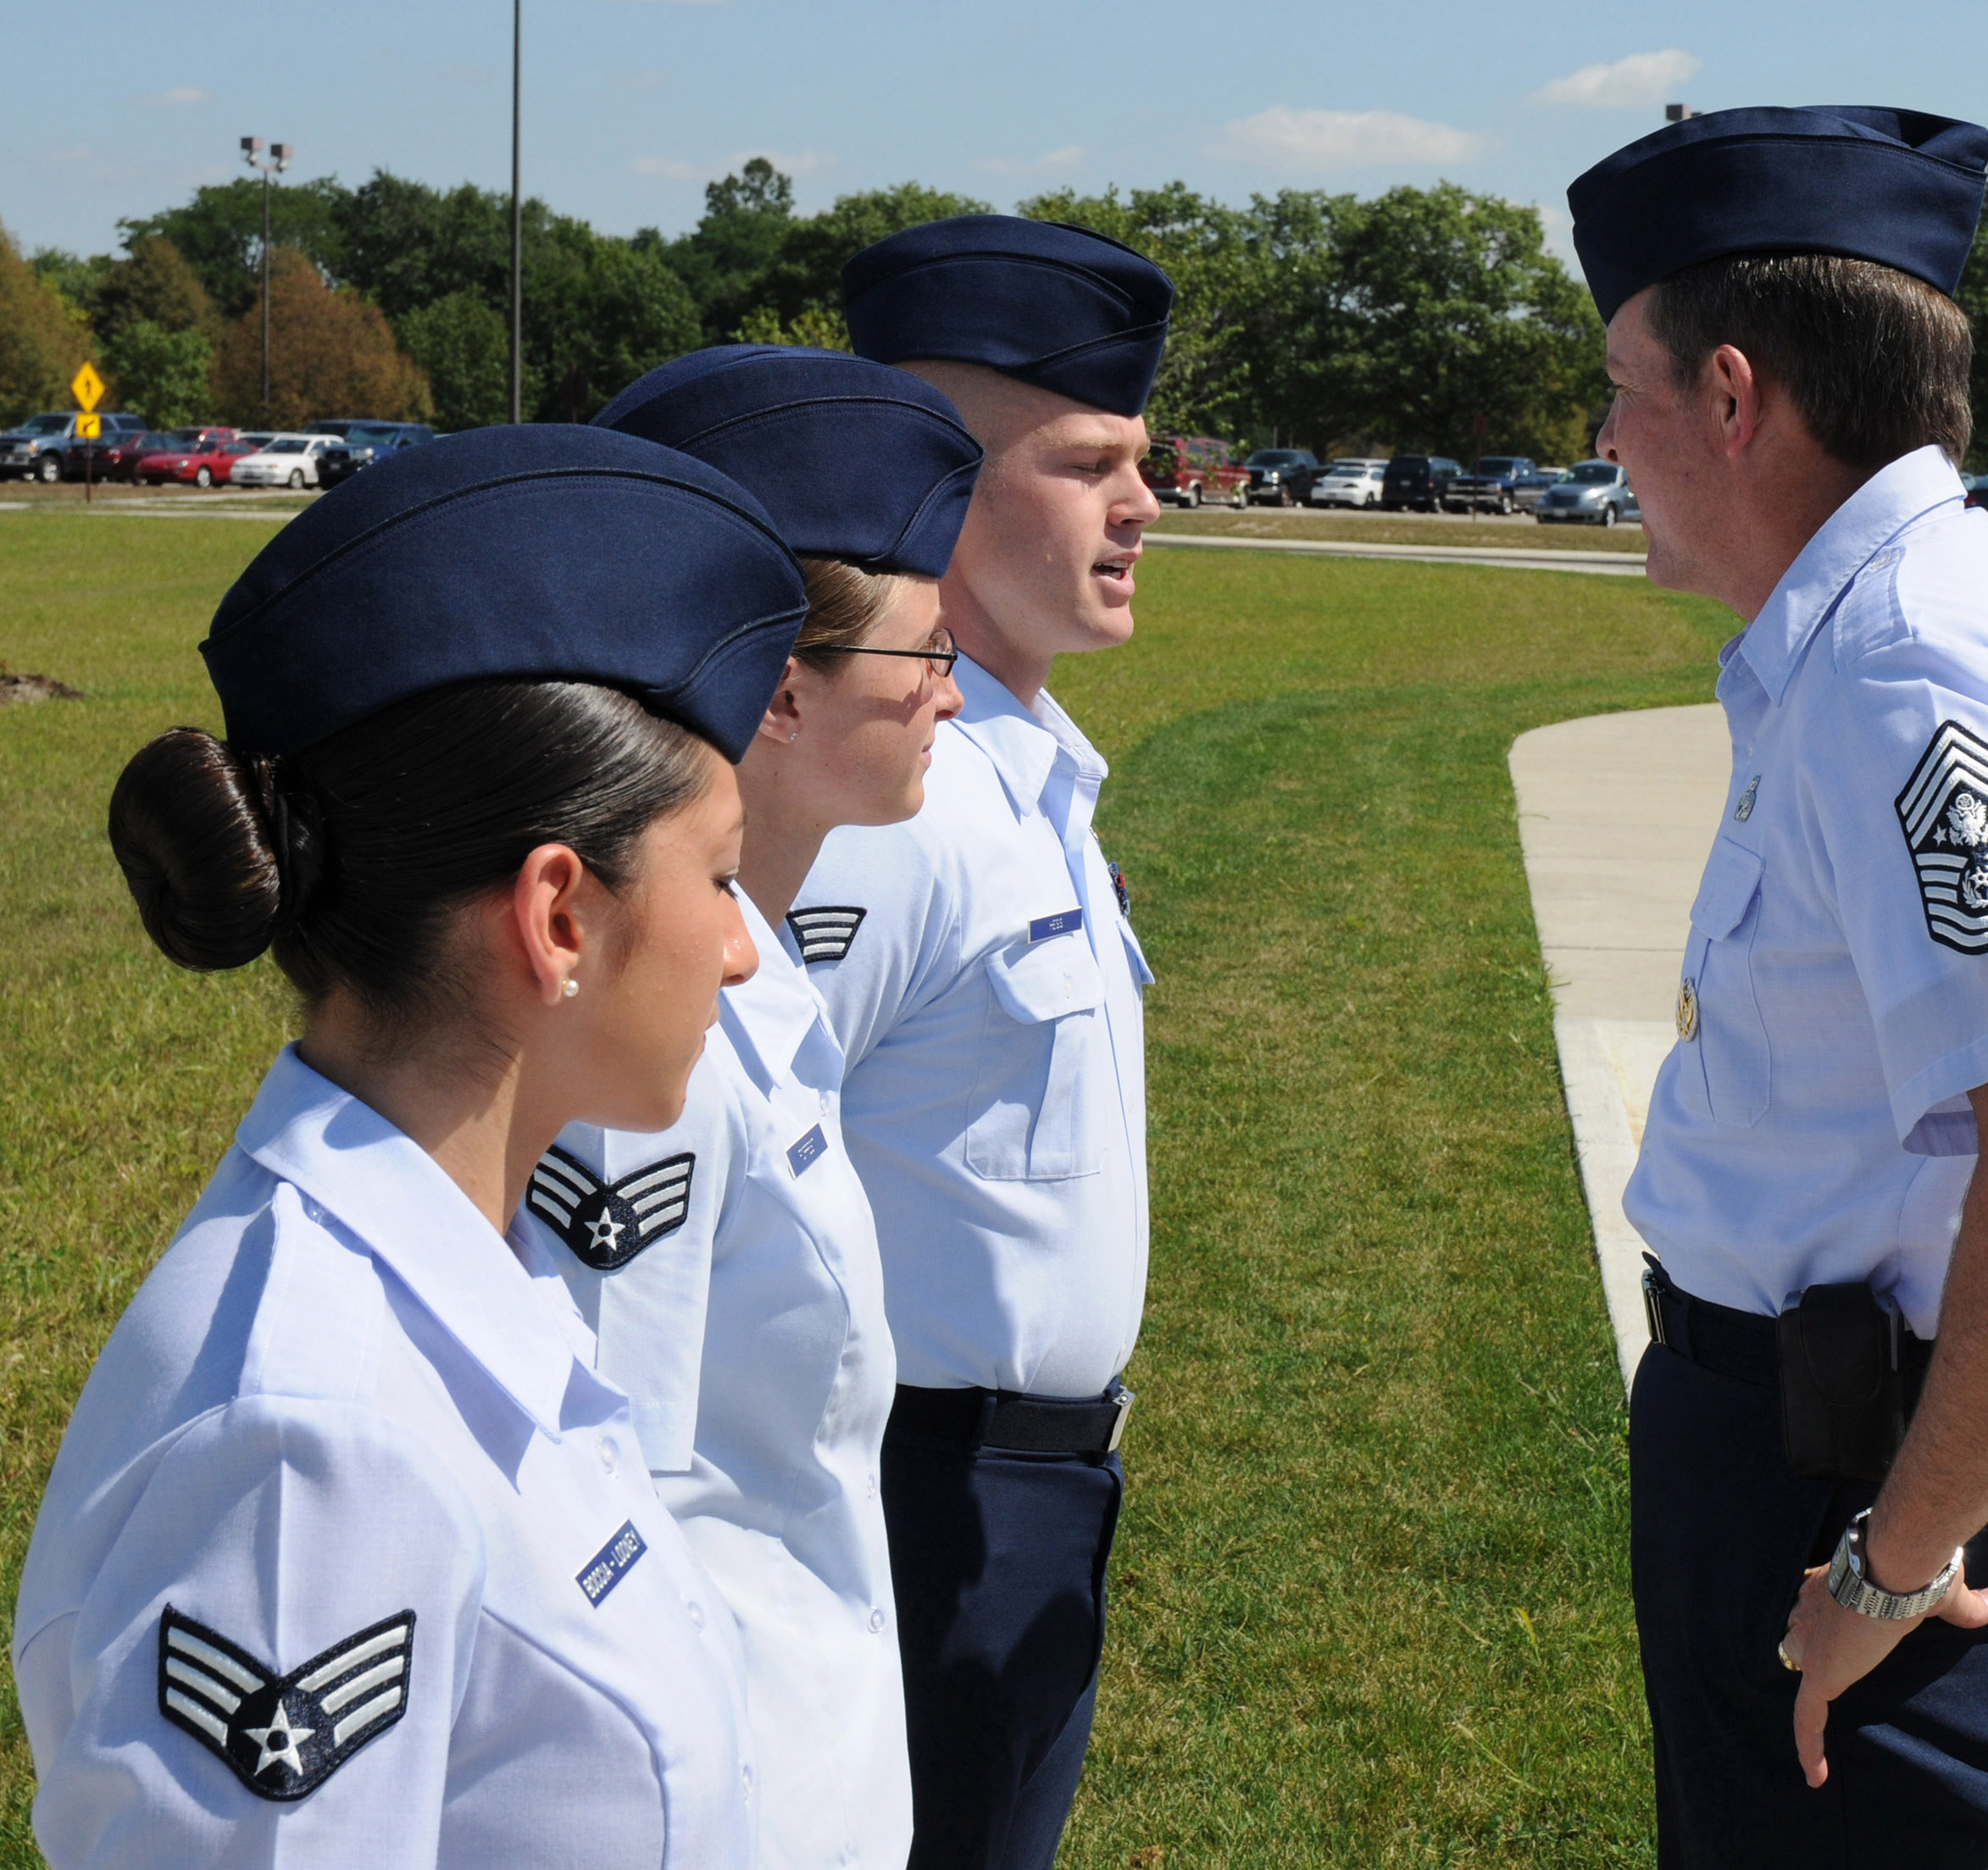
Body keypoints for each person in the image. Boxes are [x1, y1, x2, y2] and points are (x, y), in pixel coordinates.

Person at [11, 424, 810, 1867]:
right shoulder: (310, 1447)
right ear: (557, 916)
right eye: (722, 877)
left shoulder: (448, 1287)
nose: (746, 954)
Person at [1569, 108, 1988, 1865]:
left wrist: (1888, 1566)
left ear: (1735, 398)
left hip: (1859, 1475)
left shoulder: (1911, 675)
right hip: (1815, 1439)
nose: (1603, 435)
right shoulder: (1878, 639)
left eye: (1622, 382)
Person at [514, 345, 978, 1870]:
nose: (953, 696)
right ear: (781, 689)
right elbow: (600, 1515)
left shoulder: (755, 983)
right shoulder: (637, 1061)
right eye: (923, 657)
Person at [780, 216, 1172, 1870]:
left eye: (1143, 462)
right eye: (1090, 463)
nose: (1146, 507)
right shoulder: (897, 809)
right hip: (908, 1505)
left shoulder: (1023, 768)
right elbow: (722, 1170)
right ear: (940, 492)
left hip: (1025, 1502)